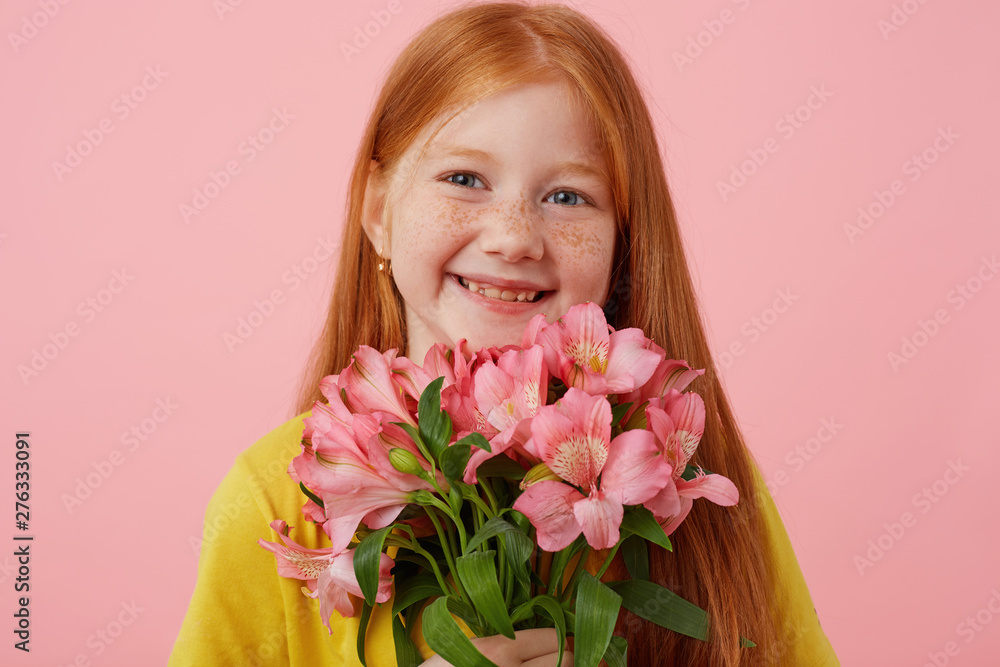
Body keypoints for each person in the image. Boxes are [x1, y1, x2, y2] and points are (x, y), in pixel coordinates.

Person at [168, 2, 840, 665]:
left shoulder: (683, 470)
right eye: (463, 179)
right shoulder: (275, 495)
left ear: (623, 240)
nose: (515, 237)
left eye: (568, 196)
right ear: (378, 212)